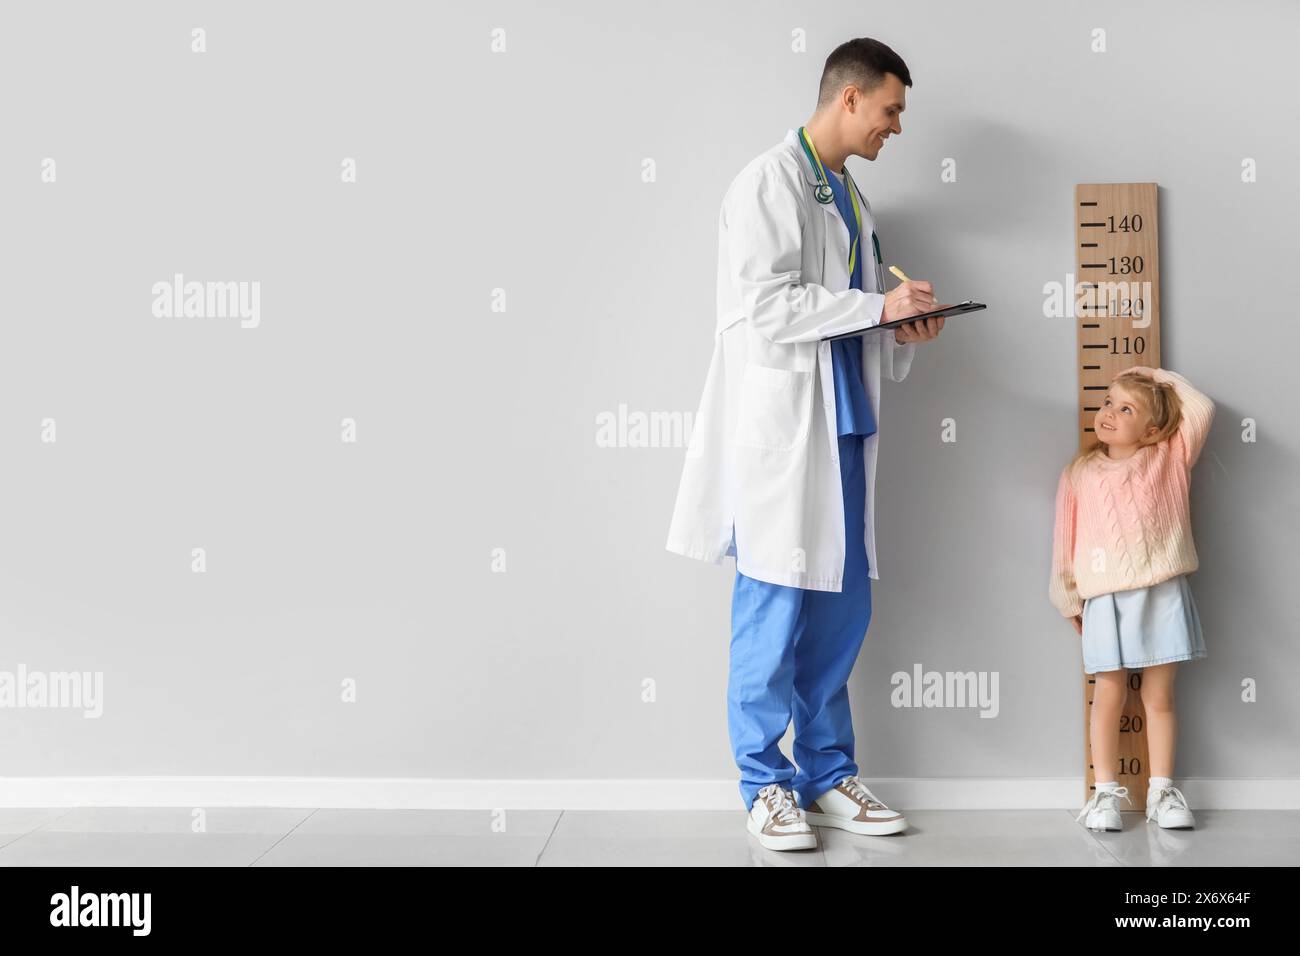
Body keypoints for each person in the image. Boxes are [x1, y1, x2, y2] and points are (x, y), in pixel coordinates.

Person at [665, 38, 945, 851]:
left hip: (845, 426)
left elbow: (860, 312)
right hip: (782, 438)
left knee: (840, 609)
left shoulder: (855, 202)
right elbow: (769, 310)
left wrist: (904, 331)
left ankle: (826, 774)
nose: (896, 127)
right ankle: (764, 784)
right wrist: (874, 312)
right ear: (849, 97)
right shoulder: (767, 184)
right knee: (775, 605)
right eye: (891, 110)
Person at [1049, 366, 1216, 832]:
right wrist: (1068, 598)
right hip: (1104, 599)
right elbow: (1065, 541)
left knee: (1160, 698)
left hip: (1163, 592)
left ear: (1153, 429)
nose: (1110, 413)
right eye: (1108, 402)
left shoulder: (1169, 457)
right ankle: (1104, 794)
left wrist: (1147, 374)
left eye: (1127, 409)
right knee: (1108, 695)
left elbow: (1200, 408)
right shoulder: (1079, 472)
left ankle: (1162, 791)